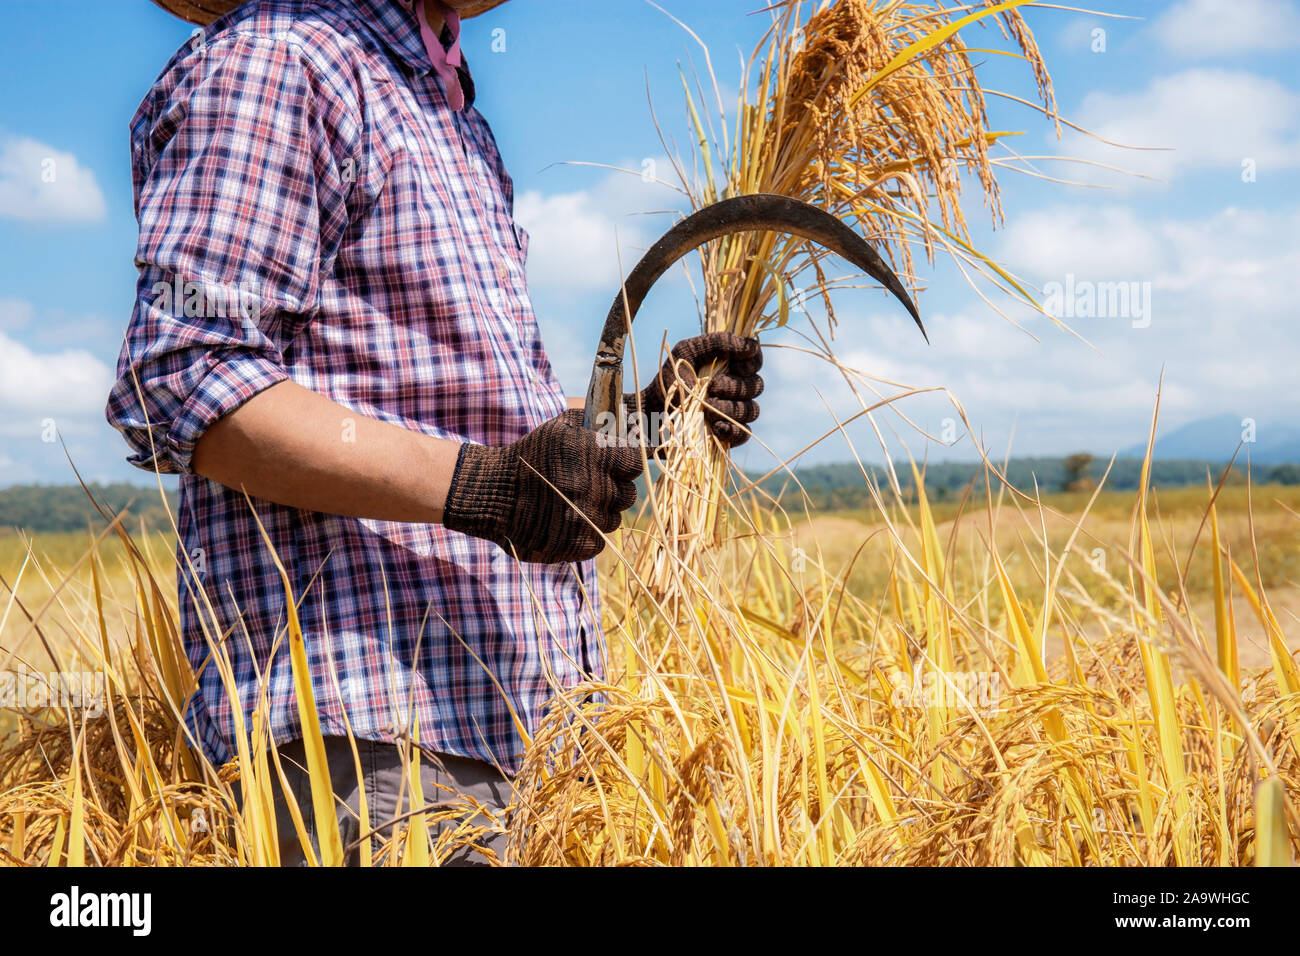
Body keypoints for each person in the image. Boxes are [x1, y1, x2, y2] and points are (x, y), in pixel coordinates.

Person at [107, 0, 763, 865]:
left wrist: (631, 426)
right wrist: (486, 489)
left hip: (519, 733)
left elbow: (456, 412)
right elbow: (184, 376)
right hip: (373, 750)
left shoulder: (450, 120)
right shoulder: (281, 60)